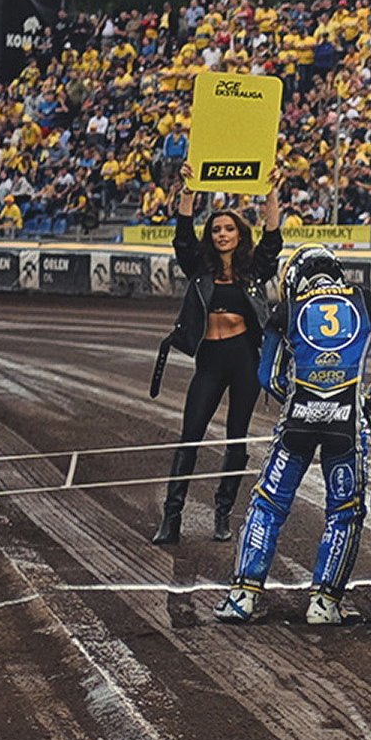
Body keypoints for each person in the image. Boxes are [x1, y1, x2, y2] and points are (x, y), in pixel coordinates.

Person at [217, 246, 371, 628]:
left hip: (298, 422)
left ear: (295, 278)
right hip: (346, 424)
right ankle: (324, 603)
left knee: (268, 503)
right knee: (344, 511)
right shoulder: (363, 300)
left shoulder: (287, 310)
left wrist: (298, 399)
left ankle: (243, 597)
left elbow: (268, 377)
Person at [148, 194, 283, 546]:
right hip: (209, 359)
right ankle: (171, 518)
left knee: (236, 437)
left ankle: (223, 514)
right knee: (190, 435)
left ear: (240, 234)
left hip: (244, 359)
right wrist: (187, 196)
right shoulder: (199, 268)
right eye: (216, 230)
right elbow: (182, 237)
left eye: (229, 229)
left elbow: (272, 239)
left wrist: (271, 195)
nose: (222, 234)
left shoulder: (253, 270)